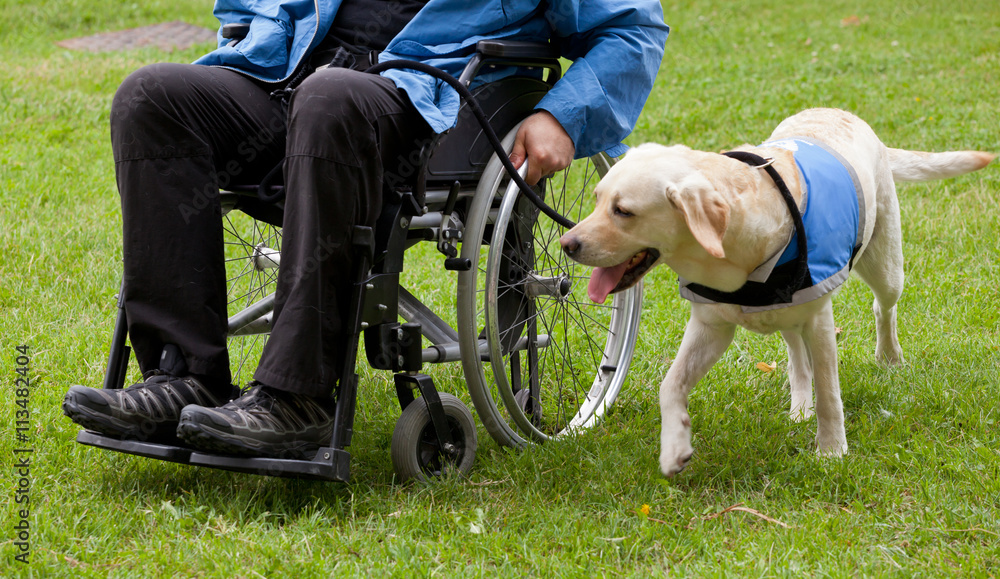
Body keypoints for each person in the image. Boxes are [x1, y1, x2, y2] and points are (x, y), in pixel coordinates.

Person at [62, 0, 669, 459]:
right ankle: (182, 378)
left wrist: (561, 115)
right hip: (293, 85)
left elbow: (632, 30)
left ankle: (295, 398)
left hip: (427, 106)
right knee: (152, 98)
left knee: (330, 99)